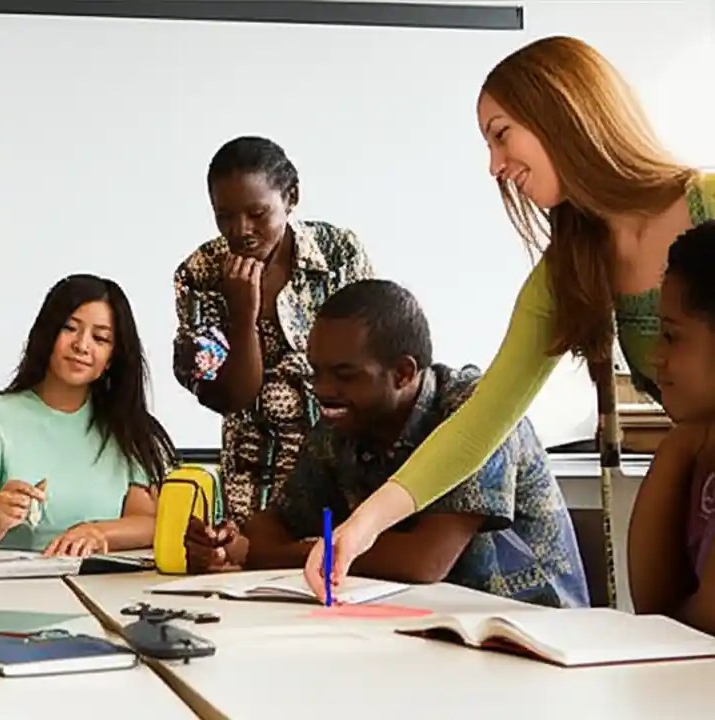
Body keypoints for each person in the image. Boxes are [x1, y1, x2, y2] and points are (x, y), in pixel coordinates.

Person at [306, 35, 715, 599]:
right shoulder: (570, 269)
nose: (495, 166)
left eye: (502, 136)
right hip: (698, 495)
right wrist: (363, 528)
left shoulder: (708, 202)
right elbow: (483, 421)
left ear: (564, 112)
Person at [187, 280, 589, 608]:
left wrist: (279, 553)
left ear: (402, 373)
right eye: (317, 373)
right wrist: (229, 544)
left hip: (532, 634)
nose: (323, 391)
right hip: (420, 631)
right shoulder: (341, 421)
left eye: (345, 374)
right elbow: (273, 524)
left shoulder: (475, 411)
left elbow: (424, 561)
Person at [173, 136, 373, 527]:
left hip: (342, 466)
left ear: (291, 197)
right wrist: (243, 316)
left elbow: (366, 363)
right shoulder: (201, 274)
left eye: (257, 213)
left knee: (336, 575)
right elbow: (230, 396)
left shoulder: (338, 254)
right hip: (254, 481)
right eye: (224, 216)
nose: (240, 230)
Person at [0, 274, 176, 555]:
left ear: (112, 357)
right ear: (47, 333)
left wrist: (97, 531)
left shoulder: (128, 428)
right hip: (11, 591)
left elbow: (148, 523)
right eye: (69, 328)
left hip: (103, 587)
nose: (82, 345)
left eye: (100, 338)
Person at [628, 222, 715, 634]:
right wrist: (677, 448)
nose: (655, 357)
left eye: (671, 336)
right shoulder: (697, 445)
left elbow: (704, 623)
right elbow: (651, 604)